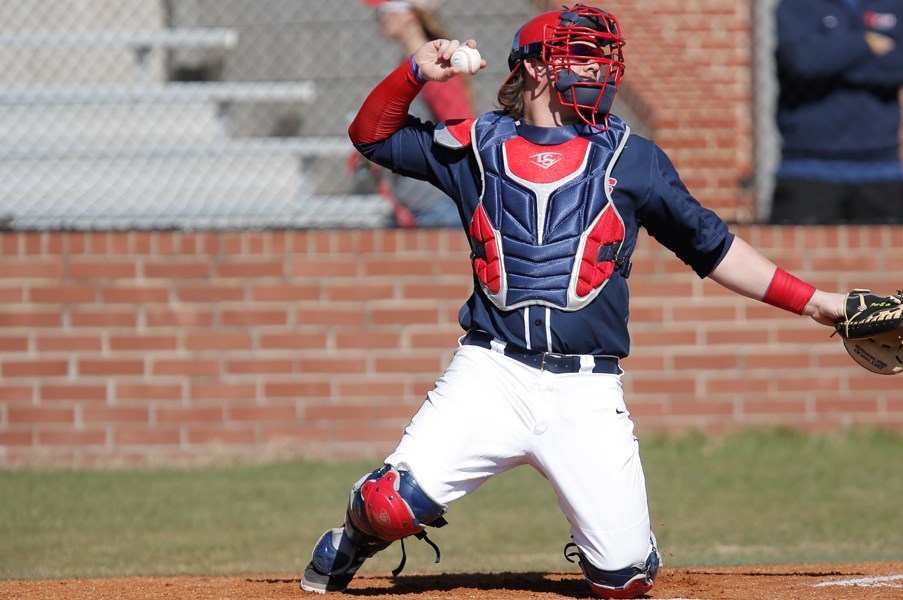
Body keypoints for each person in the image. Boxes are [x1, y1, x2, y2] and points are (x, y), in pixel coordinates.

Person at [300, 5, 847, 598]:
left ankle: (620, 545)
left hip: (586, 387)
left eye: (603, 55)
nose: (600, 68)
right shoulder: (476, 145)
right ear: (535, 69)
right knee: (387, 504)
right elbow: (371, 136)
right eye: (581, 53)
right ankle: (352, 541)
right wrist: (413, 71)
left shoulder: (633, 157)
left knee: (626, 578)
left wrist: (816, 302)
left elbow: (715, 249)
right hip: (492, 372)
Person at [769, 0, 903, 225]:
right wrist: (867, 40)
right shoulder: (797, 5)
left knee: (888, 259)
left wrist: (832, 60)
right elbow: (805, 61)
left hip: (882, 168)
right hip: (807, 167)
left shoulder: (898, 5)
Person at [359, 0, 475, 227]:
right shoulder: (411, 67)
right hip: (416, 204)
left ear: (409, 15)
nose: (379, 19)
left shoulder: (436, 70)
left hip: (437, 206)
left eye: (383, 11)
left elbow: (464, 131)